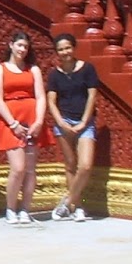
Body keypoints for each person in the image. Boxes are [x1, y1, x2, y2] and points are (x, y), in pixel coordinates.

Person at [0, 30, 49, 224]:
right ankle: (10, 208)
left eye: (25, 46)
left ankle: (26, 209)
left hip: (32, 118)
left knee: (31, 169)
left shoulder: (33, 70)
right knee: (18, 168)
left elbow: (40, 96)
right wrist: (13, 124)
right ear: (11, 45)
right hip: (11, 120)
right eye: (19, 45)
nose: (22, 49)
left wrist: (39, 121)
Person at [46, 33, 98, 222]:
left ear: (73, 48)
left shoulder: (87, 69)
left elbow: (92, 96)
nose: (65, 52)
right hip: (64, 122)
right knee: (70, 165)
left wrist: (85, 121)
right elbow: (51, 100)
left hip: (85, 123)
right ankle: (78, 207)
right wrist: (61, 122)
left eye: (67, 48)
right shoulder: (54, 74)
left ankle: (67, 202)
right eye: (60, 49)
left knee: (85, 165)